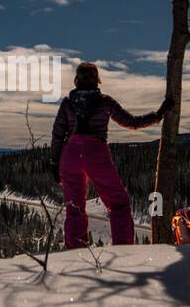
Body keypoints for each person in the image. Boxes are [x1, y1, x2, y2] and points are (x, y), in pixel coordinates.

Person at [51, 62, 172, 249]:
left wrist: (54, 163)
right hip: (95, 153)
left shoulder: (67, 103)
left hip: (70, 155)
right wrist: (159, 114)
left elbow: (58, 135)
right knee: (119, 204)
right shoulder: (105, 101)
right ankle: (123, 250)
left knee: (74, 209)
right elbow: (132, 122)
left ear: (76, 80)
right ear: (97, 80)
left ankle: (76, 254)